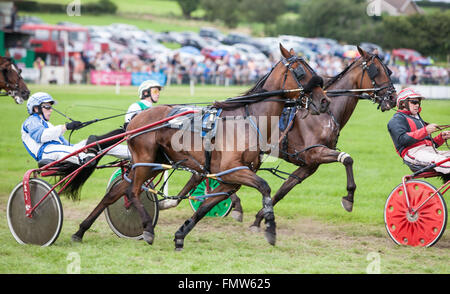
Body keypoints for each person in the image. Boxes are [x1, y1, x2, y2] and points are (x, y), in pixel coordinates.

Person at [22, 92, 129, 166]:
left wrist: (86, 145)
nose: (51, 110)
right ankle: (84, 158)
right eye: (48, 107)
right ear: (36, 108)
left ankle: (131, 154)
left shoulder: (48, 124)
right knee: (79, 150)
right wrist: (66, 127)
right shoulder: (31, 121)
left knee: (99, 143)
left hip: (64, 149)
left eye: (51, 107)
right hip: (46, 152)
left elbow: (66, 146)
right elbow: (41, 136)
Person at [387, 88, 450, 175]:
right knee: (444, 162)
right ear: (402, 103)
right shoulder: (396, 119)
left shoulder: (417, 118)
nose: (417, 105)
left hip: (428, 151)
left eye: (418, 102)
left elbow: (430, 144)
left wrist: (441, 137)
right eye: (414, 102)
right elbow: (402, 140)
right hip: (413, 153)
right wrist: (425, 130)